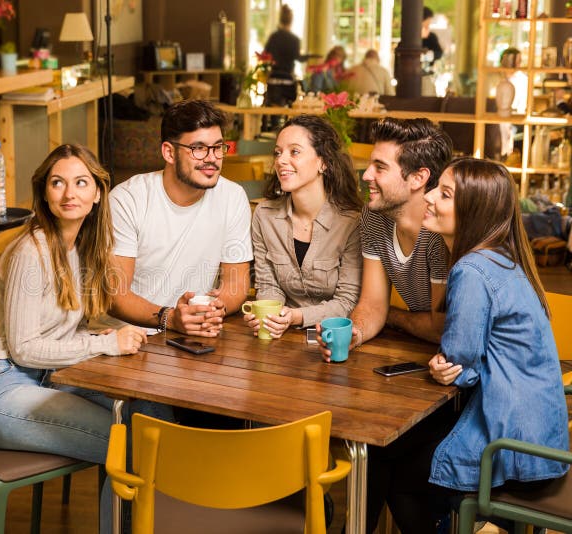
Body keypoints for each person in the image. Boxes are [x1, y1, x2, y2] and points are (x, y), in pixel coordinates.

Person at [0, 144, 173, 534]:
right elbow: (24, 348)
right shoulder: (32, 250)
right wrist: (104, 344)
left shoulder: (82, 246)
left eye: (81, 183)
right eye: (57, 183)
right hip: (1, 387)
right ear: (44, 192)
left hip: (48, 375)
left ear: (97, 193)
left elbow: (58, 330)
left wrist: (106, 333)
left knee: (149, 413)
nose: (69, 194)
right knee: (130, 446)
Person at [383, 157, 570, 533]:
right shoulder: (503, 259)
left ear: (474, 211)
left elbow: (460, 368)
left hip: (512, 450)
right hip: (542, 438)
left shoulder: (471, 270)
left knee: (391, 468)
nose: (430, 197)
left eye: (445, 194)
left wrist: (444, 369)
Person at [108, 99, 253, 338]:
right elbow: (115, 295)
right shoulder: (127, 199)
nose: (211, 158)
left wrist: (216, 309)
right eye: (198, 148)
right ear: (169, 152)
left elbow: (235, 285)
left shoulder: (233, 197)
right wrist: (171, 318)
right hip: (127, 338)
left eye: (218, 147)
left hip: (191, 335)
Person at [318, 117, 453, 361]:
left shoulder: (438, 233)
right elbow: (372, 304)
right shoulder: (374, 215)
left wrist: (392, 316)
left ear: (418, 178)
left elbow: (438, 327)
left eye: (380, 167)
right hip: (420, 352)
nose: (367, 175)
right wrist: (355, 333)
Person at [243, 115, 363, 338]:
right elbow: (267, 284)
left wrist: (296, 316)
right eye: (278, 153)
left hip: (336, 339)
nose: (280, 160)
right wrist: (271, 315)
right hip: (281, 338)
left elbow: (347, 301)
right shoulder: (264, 216)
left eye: (294, 152)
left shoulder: (351, 223)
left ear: (323, 162)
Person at [262, 4, 308, 107]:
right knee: (290, 104)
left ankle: (273, 120)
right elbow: (298, 58)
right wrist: (310, 56)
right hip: (288, 80)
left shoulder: (273, 37)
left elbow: (265, 54)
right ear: (291, 21)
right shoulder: (294, 40)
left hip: (273, 78)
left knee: (273, 108)